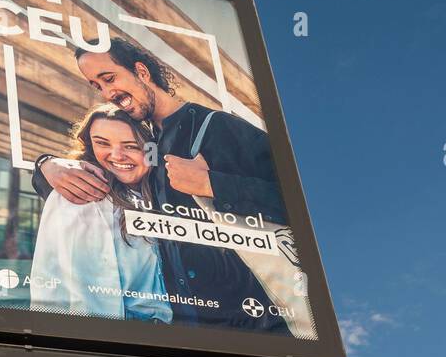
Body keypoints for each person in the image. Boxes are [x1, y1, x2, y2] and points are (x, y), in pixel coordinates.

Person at [31, 38, 292, 334]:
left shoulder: (218, 127)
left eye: (109, 78)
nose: (107, 93)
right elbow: (98, 187)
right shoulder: (148, 144)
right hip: (189, 333)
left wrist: (212, 184)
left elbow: (301, 203)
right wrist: (45, 164)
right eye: (97, 86)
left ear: (142, 72)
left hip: (255, 328)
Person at [29, 103, 171, 323]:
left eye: (131, 146)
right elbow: (66, 288)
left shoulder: (166, 197)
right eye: (102, 143)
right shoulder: (80, 195)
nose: (117, 155)